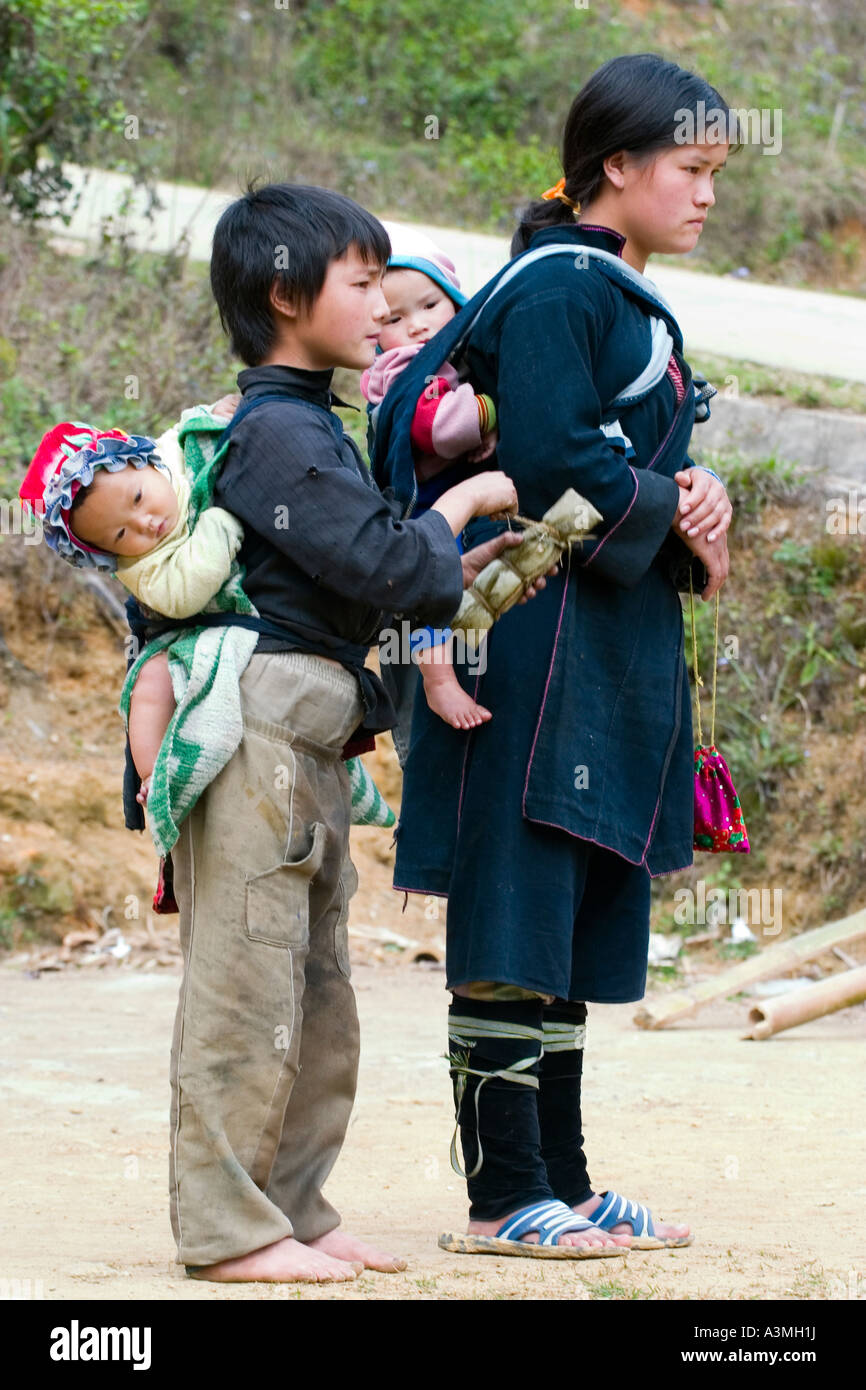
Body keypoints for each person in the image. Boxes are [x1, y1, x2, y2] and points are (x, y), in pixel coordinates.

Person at [143, 182, 548, 1284]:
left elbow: (371, 575)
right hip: (262, 734)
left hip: (311, 739)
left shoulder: (311, 425)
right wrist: (459, 510)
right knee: (248, 983)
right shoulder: (275, 433)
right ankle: (227, 1229)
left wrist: (435, 567)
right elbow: (386, 562)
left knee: (317, 990)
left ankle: (296, 1207)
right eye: (361, 282)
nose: (381, 304)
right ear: (285, 293)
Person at [380, 53, 735, 1256]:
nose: (702, 195)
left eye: (712, 174)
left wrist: (695, 504)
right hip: (520, 646)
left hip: (599, 640)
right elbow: (551, 465)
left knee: (571, 913)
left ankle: (566, 1183)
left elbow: (619, 472)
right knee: (512, 910)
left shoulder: (613, 293)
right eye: (688, 170)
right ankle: (498, 1194)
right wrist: (657, 501)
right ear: (617, 168)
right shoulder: (553, 292)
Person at [19, 416, 242, 803]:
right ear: (107, 554)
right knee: (149, 682)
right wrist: (221, 524)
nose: (146, 523)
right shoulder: (143, 568)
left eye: (138, 498)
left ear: (143, 460)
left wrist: (216, 413)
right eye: (122, 534)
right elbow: (186, 594)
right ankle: (153, 773)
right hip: (192, 624)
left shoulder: (167, 457)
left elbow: (183, 429)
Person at [361, 227, 498, 735]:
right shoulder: (399, 369)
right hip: (428, 504)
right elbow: (440, 427)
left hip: (460, 495)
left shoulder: (449, 358)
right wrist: (491, 409)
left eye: (430, 306)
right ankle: (439, 680)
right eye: (396, 318)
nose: (417, 327)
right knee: (433, 587)